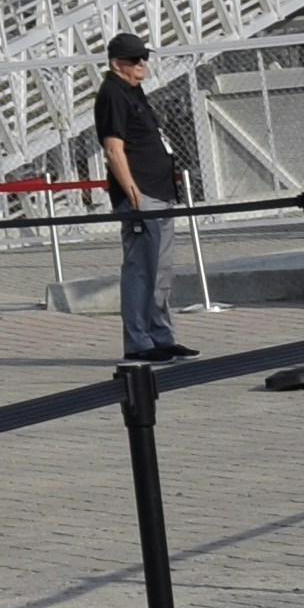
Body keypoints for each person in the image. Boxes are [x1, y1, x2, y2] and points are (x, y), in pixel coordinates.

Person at [92, 30, 194, 362]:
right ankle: (138, 341)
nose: (142, 64)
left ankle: (161, 335)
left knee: (161, 269)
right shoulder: (112, 94)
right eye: (135, 60)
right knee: (140, 268)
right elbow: (113, 146)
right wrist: (131, 189)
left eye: (144, 58)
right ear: (116, 63)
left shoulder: (136, 92)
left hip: (160, 190)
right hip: (141, 196)